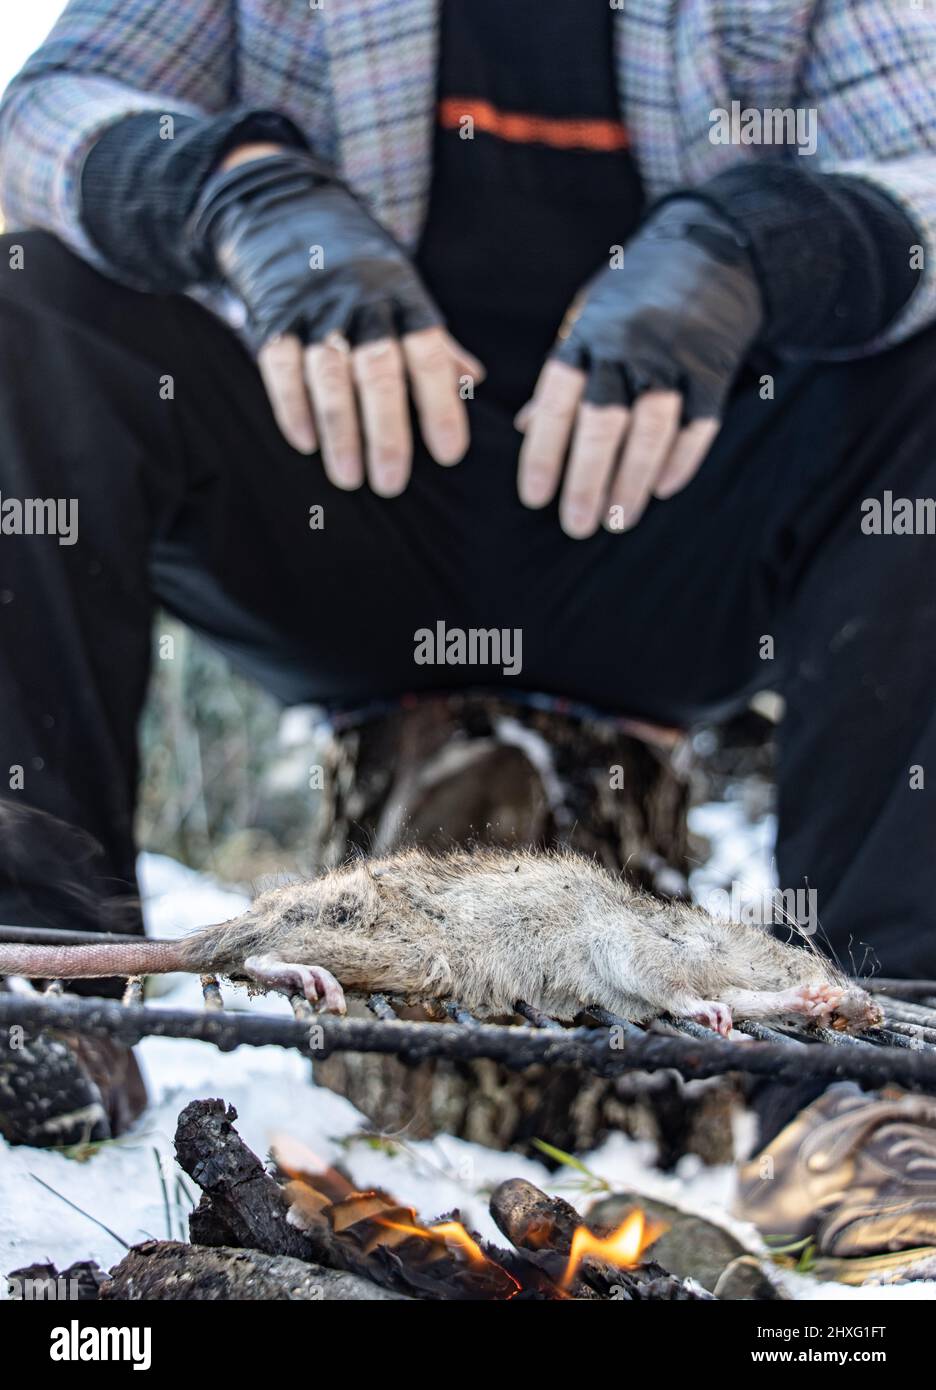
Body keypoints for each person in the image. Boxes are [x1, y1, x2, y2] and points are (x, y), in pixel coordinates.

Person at [0, 1, 935, 1193]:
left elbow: (924, 166)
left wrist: (754, 244)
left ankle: (876, 1093)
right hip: (342, 502)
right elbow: (50, 107)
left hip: (675, 522)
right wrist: (241, 188)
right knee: (26, 317)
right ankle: (47, 998)